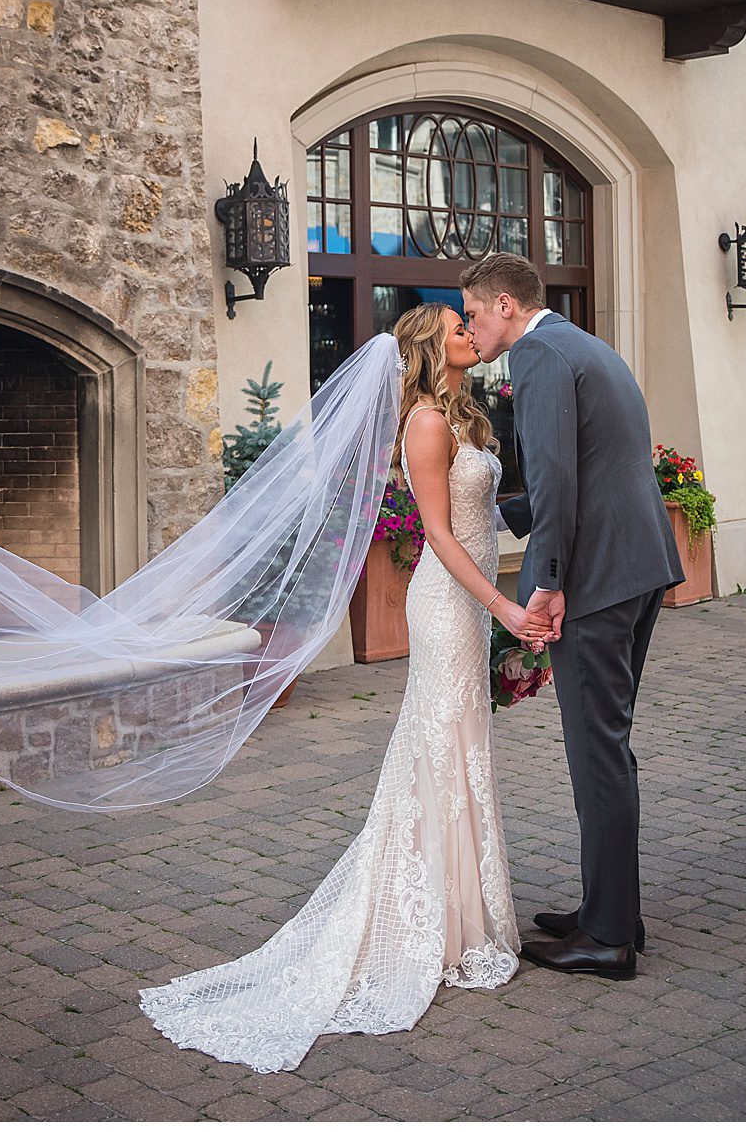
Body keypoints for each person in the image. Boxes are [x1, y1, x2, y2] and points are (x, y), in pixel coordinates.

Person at [140, 303, 555, 1071]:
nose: (472, 329)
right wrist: (500, 603)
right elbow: (437, 533)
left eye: (472, 322)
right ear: (434, 347)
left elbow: (488, 514)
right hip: (449, 602)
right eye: (458, 326)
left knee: (460, 744)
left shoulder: (471, 417)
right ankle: (430, 918)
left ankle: (465, 916)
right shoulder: (427, 423)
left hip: (472, 601)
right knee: (442, 743)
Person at [461, 253, 683, 980]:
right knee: (605, 744)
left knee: (597, 751)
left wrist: (547, 581)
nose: (470, 328)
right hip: (636, 564)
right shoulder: (582, 345)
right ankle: (608, 909)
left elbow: (557, 473)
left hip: (597, 577)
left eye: (471, 314)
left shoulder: (539, 355)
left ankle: (610, 936)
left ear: (503, 304)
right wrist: (495, 511)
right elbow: (592, 465)